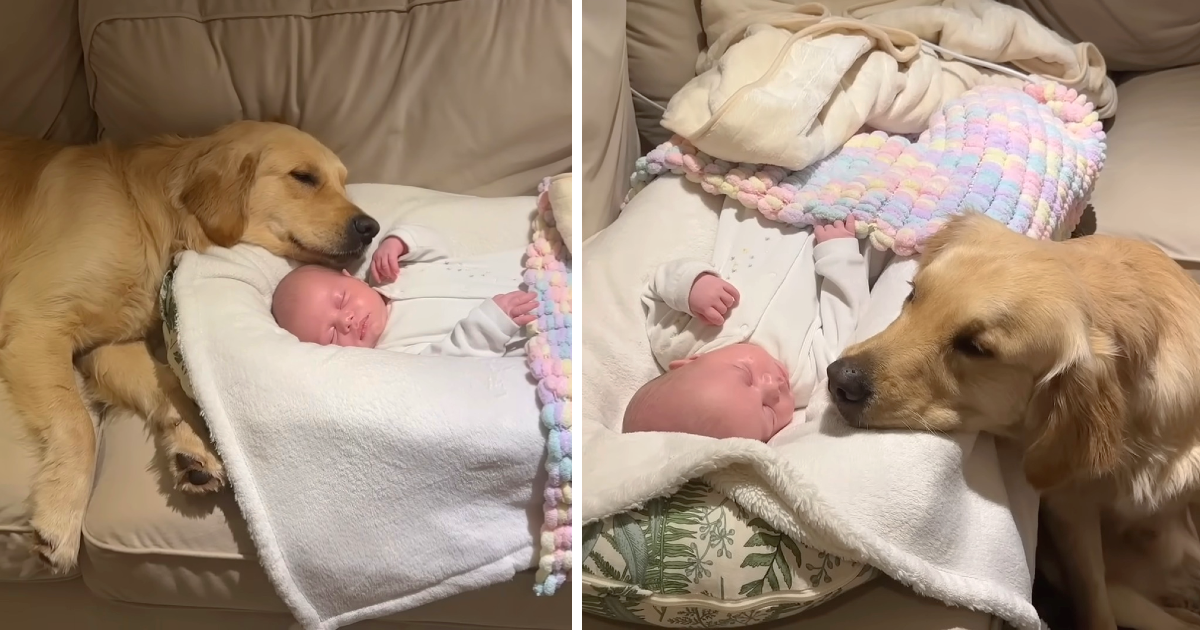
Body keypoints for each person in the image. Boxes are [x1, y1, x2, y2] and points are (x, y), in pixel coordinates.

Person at [622, 205, 869, 442]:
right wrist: (839, 253)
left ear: (688, 362)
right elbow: (848, 317)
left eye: (746, 375)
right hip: (830, 234)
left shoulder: (676, 340)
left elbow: (656, 291)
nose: (774, 388)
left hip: (764, 216)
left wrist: (692, 285)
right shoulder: (807, 379)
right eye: (769, 413)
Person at [271, 223, 536, 356]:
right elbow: (450, 362)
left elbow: (440, 247)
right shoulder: (396, 353)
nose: (346, 320)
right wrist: (492, 323)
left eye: (341, 300)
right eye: (331, 335)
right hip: (532, 325)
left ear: (351, 277)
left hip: (531, 268)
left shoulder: (394, 273)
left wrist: (399, 242)